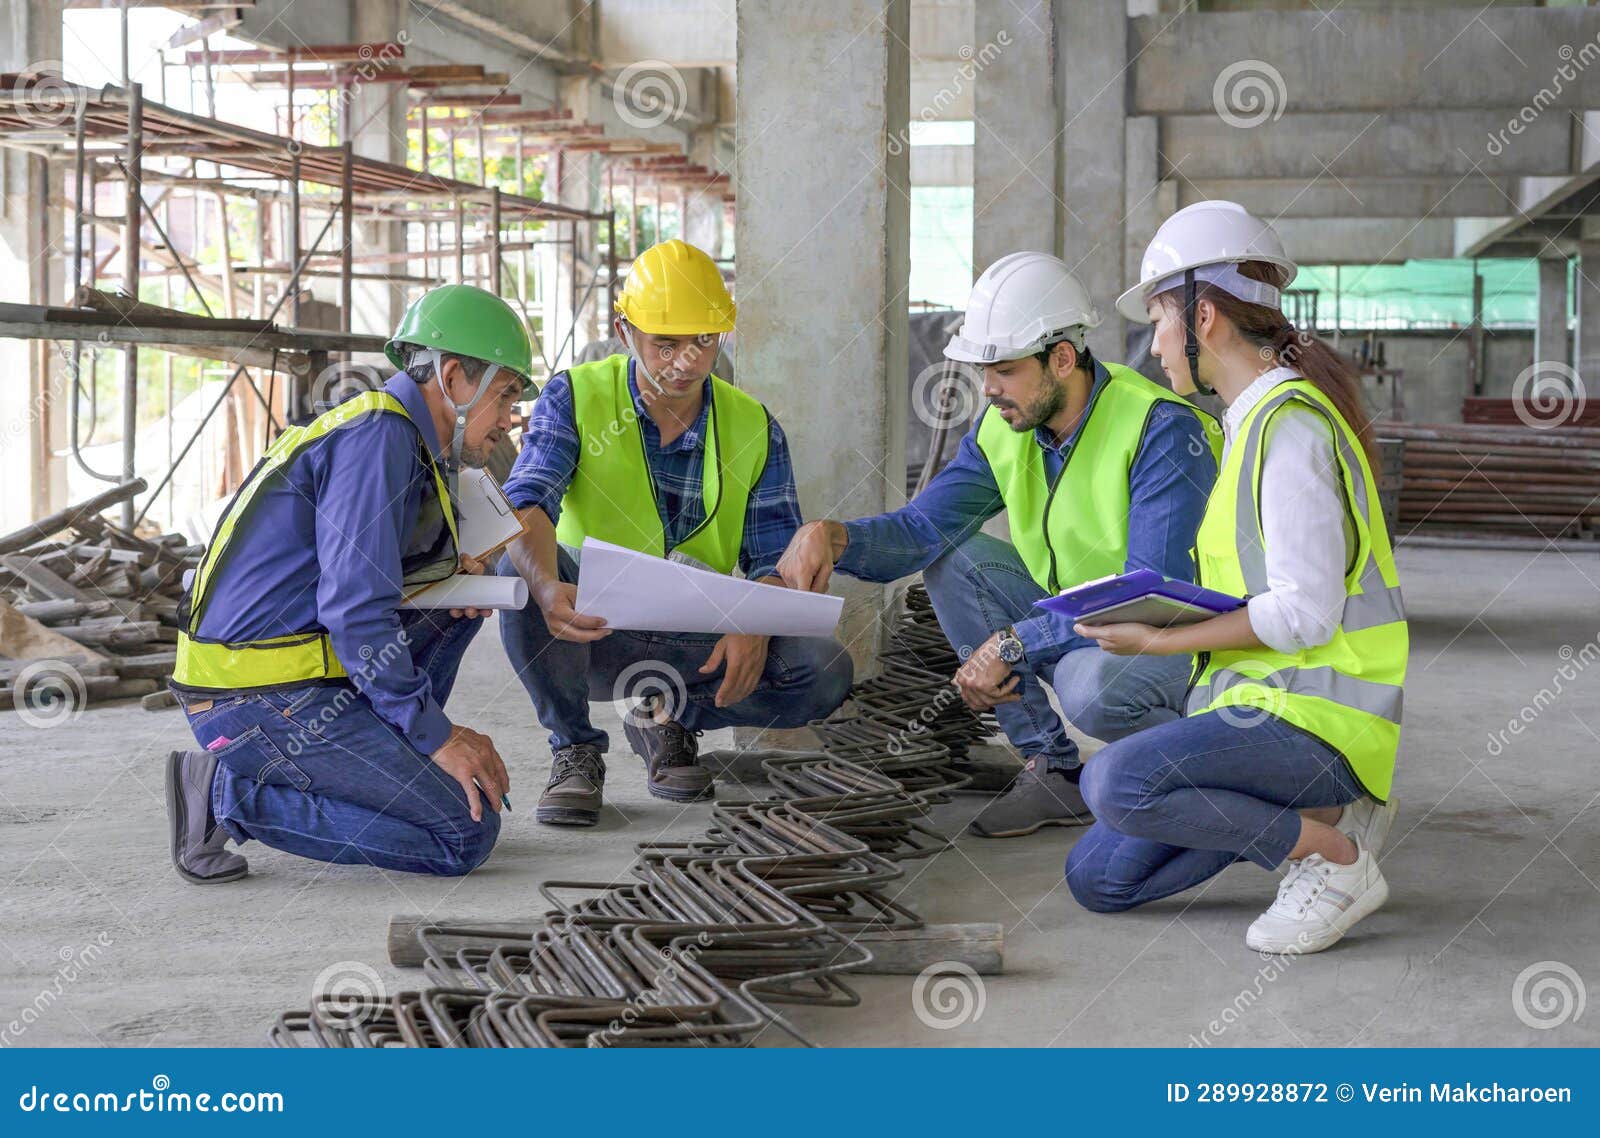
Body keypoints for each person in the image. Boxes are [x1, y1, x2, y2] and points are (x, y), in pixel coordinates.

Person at [1064, 201, 1409, 954]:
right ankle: (1302, 825)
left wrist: (1156, 641)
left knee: (1116, 782)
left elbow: (1307, 617)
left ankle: (1337, 857)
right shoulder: (1246, 425)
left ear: (1206, 317)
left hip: (1323, 721)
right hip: (1255, 707)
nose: (1154, 344)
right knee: (1096, 878)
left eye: (1159, 319)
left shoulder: (1289, 429)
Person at [777, 253, 1220, 837]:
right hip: (1080, 624)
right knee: (955, 557)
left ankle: (1205, 769)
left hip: (1176, 642)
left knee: (1092, 689)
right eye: (983, 370)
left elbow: (1149, 591)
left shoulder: (1159, 427)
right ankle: (1053, 771)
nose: (987, 389)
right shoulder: (1003, 431)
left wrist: (1013, 643)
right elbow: (921, 533)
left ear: (1062, 358)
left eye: (1003, 370)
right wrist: (835, 538)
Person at [165, 284, 531, 882]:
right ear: (455, 376)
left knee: (451, 614)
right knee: (461, 834)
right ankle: (225, 793)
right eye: (506, 393)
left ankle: (391, 754)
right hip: (255, 698)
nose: (510, 418)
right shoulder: (379, 437)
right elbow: (357, 613)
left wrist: (445, 572)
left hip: (293, 674)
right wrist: (439, 738)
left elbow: (357, 577)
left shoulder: (403, 439)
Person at [498, 239, 852, 827]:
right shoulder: (576, 397)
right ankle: (576, 749)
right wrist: (544, 586)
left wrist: (755, 623)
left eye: (704, 341)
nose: (686, 361)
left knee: (822, 668)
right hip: (590, 627)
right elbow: (528, 501)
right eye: (667, 342)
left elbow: (777, 557)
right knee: (518, 572)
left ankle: (666, 716)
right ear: (625, 332)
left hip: (695, 637)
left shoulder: (754, 427)